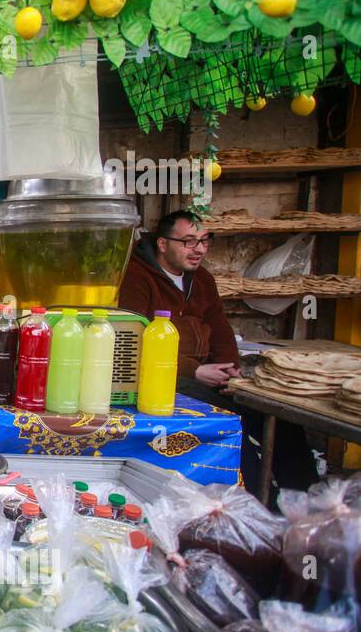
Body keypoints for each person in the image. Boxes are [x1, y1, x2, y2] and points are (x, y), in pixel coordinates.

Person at [119, 209, 315, 493]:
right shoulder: (135, 278)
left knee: (281, 419)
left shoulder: (202, 280)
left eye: (204, 241)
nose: (198, 250)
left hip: (210, 375)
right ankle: (261, 503)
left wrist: (229, 367)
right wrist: (195, 370)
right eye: (188, 242)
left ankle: (308, 499)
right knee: (232, 428)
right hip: (163, 377)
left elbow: (219, 327)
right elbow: (135, 340)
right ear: (163, 244)